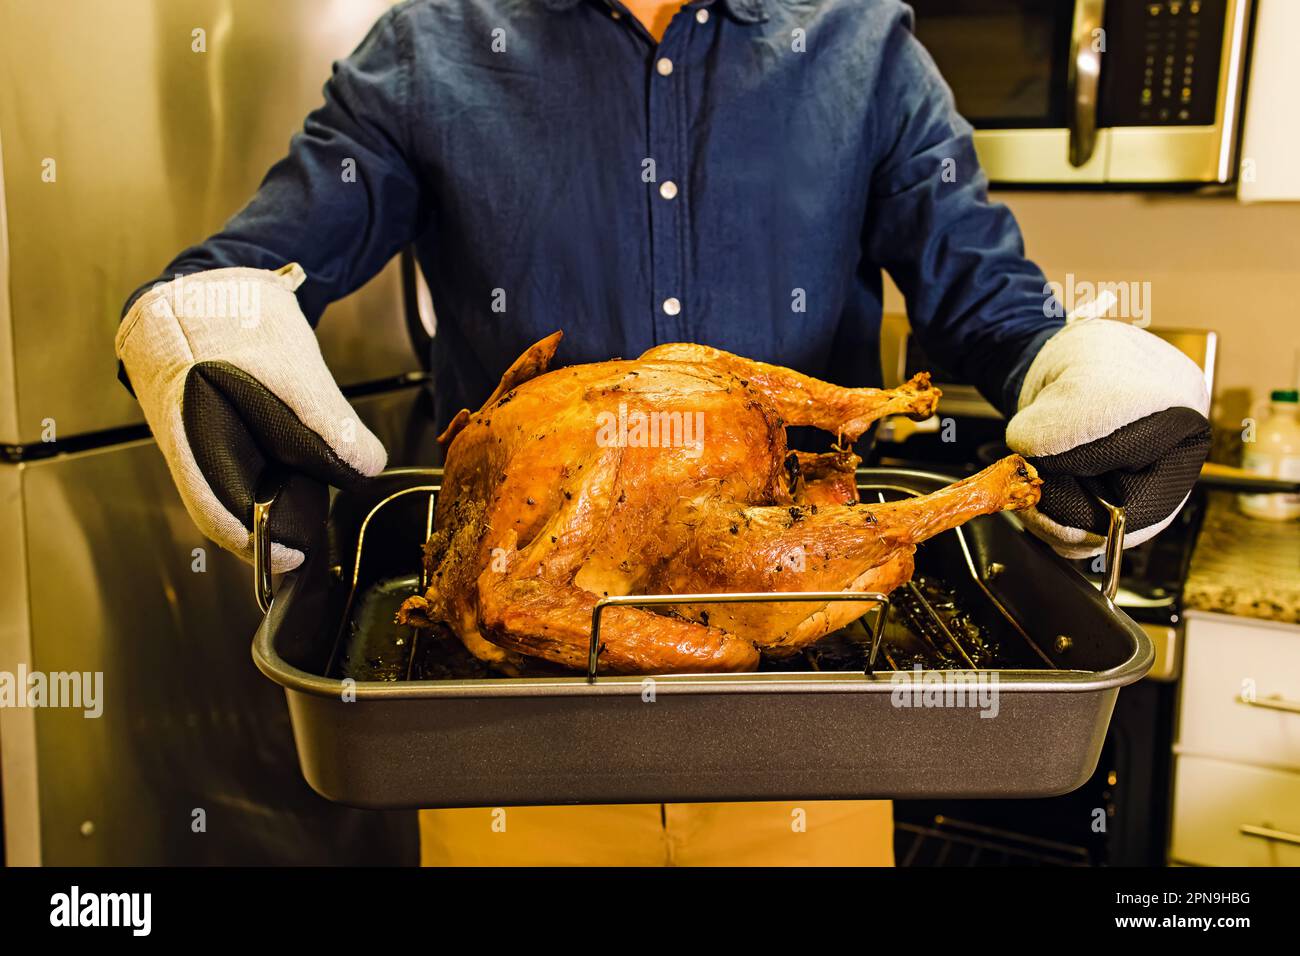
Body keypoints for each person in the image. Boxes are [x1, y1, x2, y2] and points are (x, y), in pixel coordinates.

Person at [115, 0, 1211, 866]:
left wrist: (1085, 374)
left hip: (808, 754)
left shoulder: (858, 41)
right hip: (504, 762)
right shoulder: (431, 46)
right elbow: (254, 267)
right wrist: (214, 328)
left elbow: (991, 305)